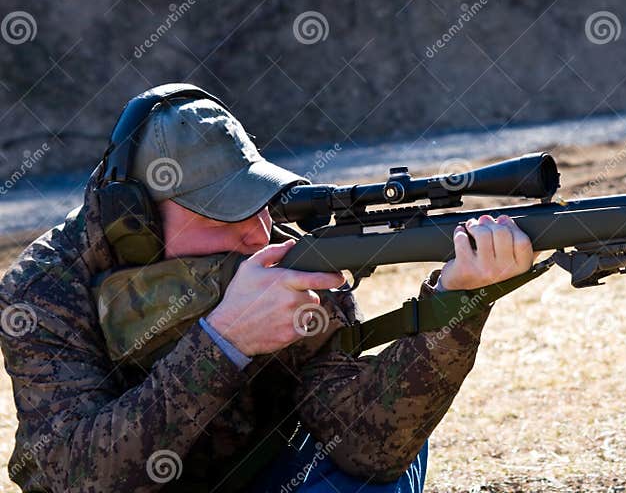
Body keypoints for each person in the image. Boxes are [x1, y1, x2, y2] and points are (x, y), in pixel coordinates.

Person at [0, 86, 535, 492]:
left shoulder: (283, 251)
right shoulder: (44, 288)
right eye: (222, 214)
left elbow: (367, 448)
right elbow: (74, 475)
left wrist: (457, 300)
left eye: (254, 203)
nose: (256, 234)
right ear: (134, 221)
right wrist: (222, 343)